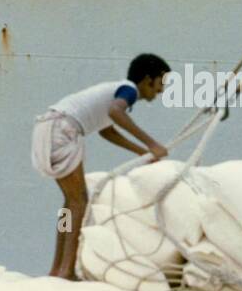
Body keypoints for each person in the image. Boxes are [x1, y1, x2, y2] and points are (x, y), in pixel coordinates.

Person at [31, 53, 171, 279]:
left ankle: (57, 267)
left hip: (50, 127)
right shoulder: (128, 90)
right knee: (79, 202)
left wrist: (143, 152)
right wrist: (152, 144)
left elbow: (107, 130)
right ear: (147, 80)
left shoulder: (117, 92)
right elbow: (115, 113)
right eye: (160, 83)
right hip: (62, 129)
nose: (161, 91)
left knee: (69, 204)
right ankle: (66, 270)